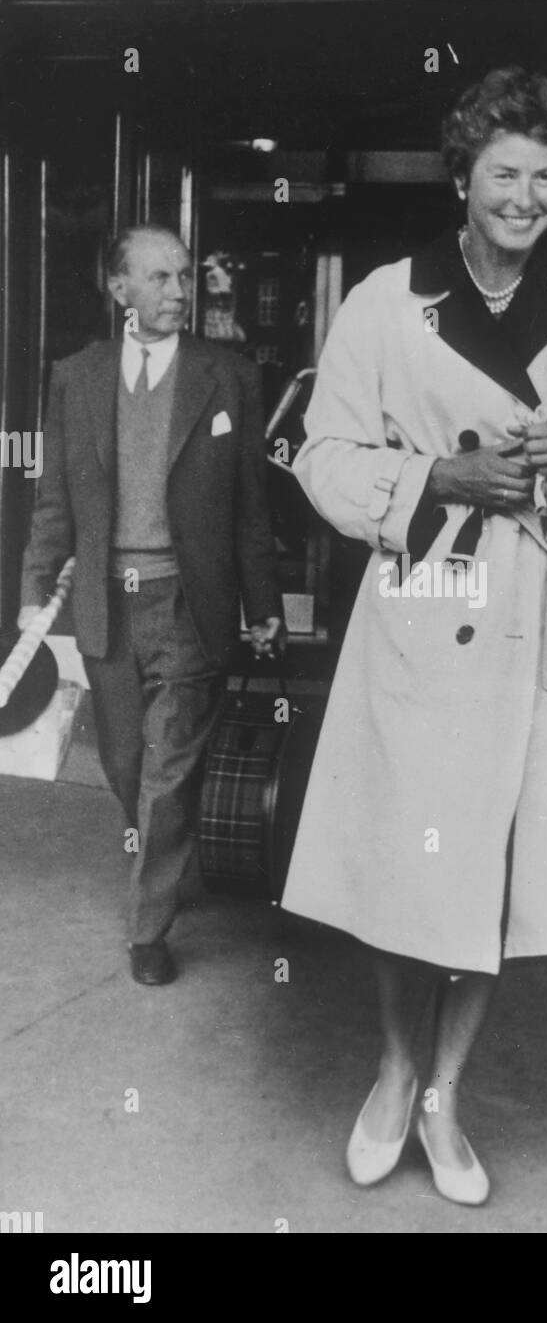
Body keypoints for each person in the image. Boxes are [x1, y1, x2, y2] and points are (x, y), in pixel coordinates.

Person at [282, 66, 547, 1205]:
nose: (522, 197)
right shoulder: (381, 300)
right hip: (424, 608)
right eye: (500, 174)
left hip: (545, 623)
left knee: (499, 878)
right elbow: (320, 455)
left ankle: (444, 1094)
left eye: (544, 177)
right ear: (460, 178)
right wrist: (435, 474)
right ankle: (392, 1065)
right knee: (408, 866)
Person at [19, 225, 285, 986]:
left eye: (184, 277)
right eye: (161, 278)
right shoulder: (76, 376)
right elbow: (54, 500)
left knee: (169, 767)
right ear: (119, 290)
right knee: (127, 762)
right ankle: (160, 857)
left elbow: (248, 508)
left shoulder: (226, 375)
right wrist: (33, 597)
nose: (179, 292)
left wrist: (264, 603)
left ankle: (148, 929)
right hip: (109, 603)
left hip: (189, 601)